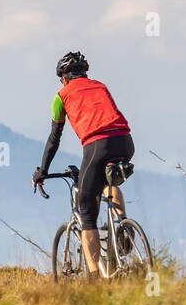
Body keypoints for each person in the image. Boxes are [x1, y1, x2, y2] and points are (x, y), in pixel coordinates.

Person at [32, 51, 135, 275]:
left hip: (98, 146)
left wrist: (42, 171)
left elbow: (54, 139)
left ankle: (95, 280)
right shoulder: (100, 86)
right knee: (109, 182)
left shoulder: (61, 96)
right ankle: (123, 224)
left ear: (64, 78)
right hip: (125, 142)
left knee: (87, 212)